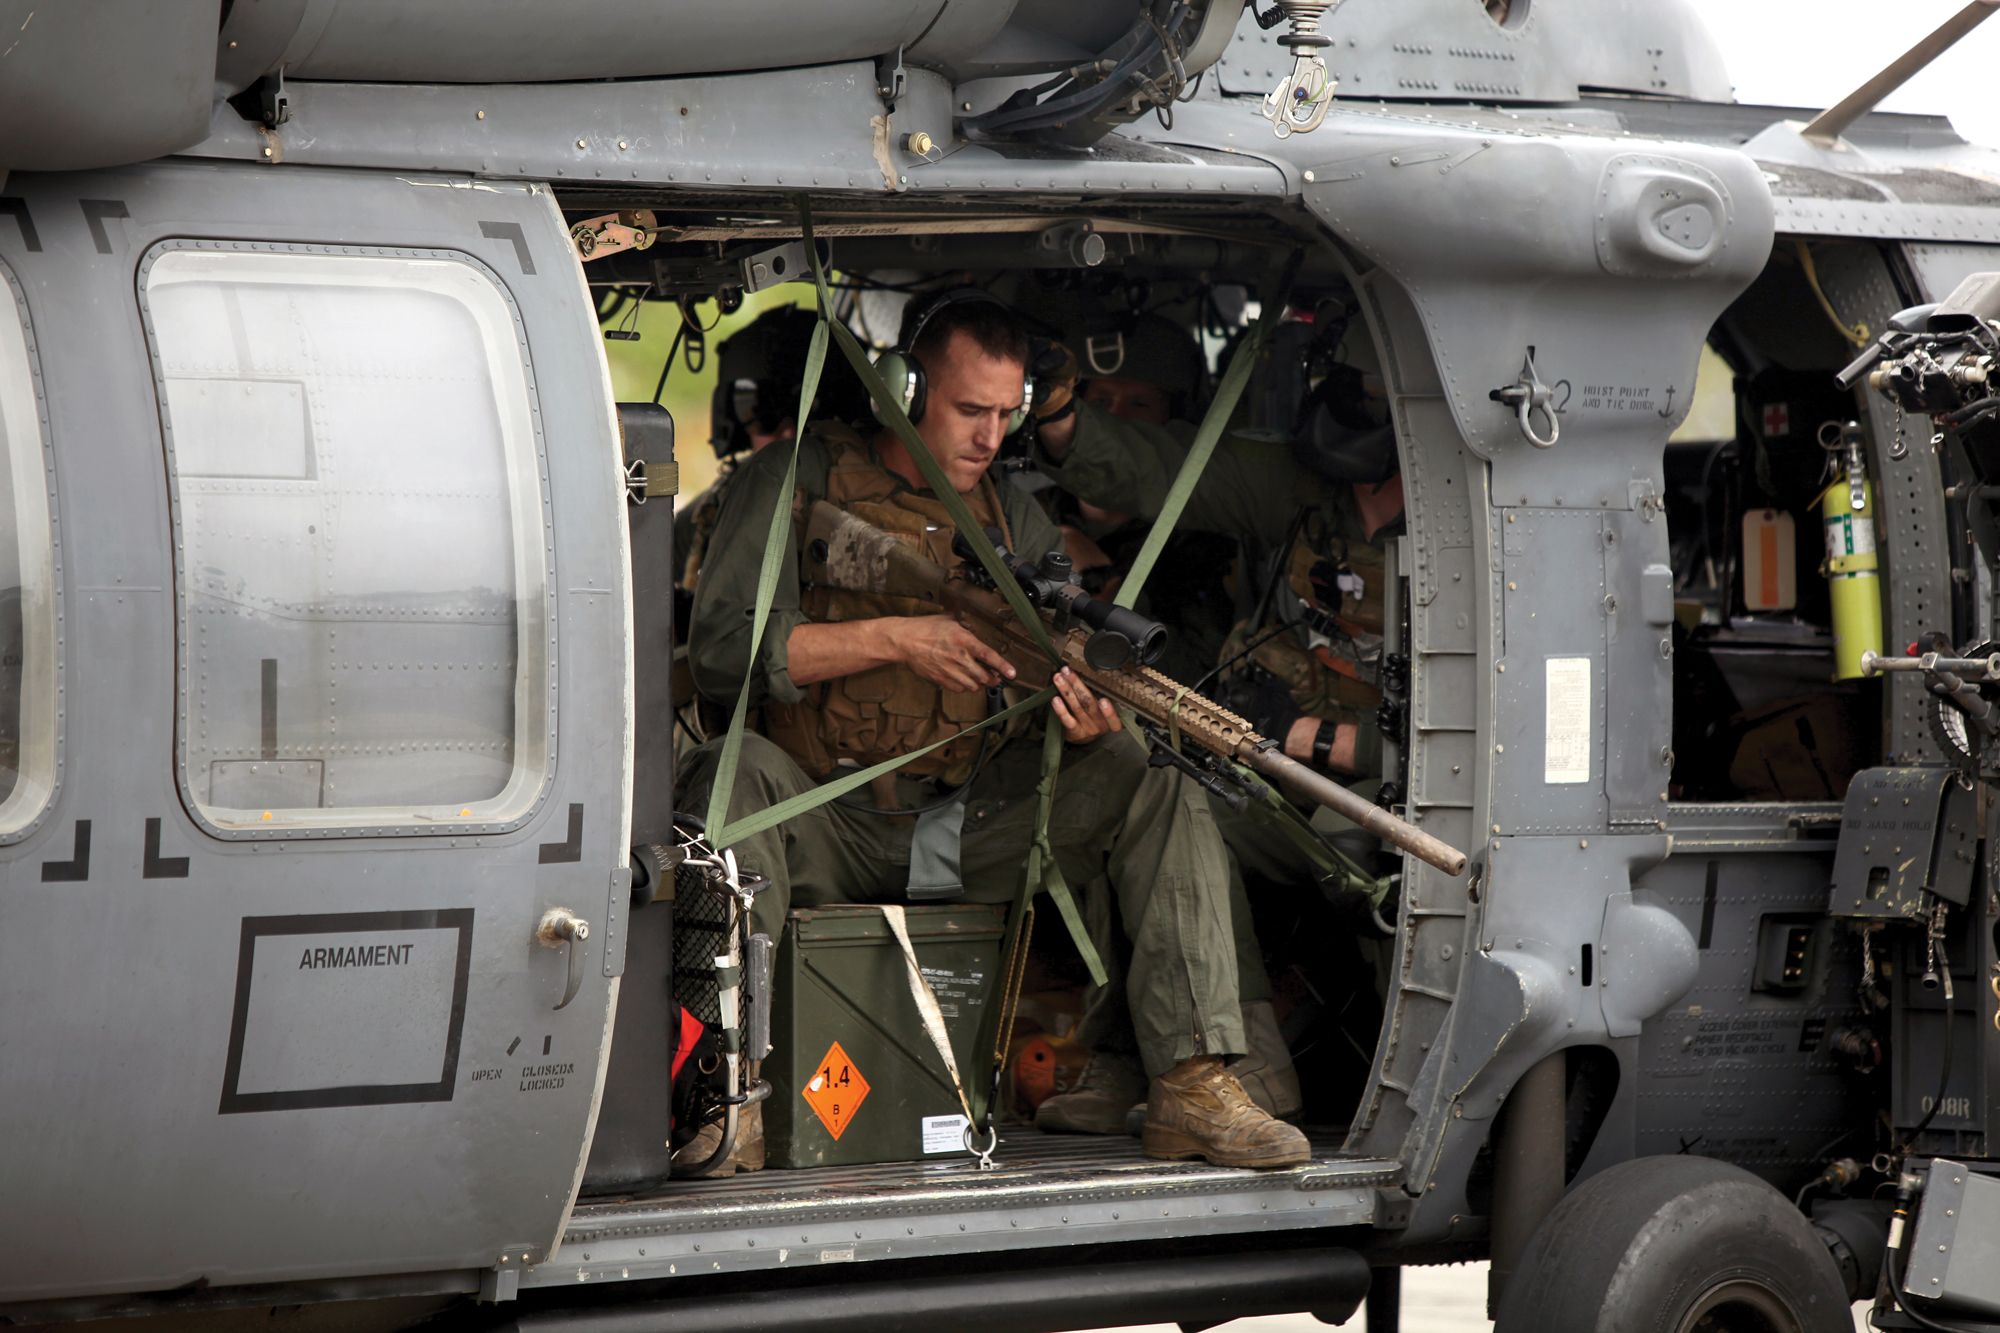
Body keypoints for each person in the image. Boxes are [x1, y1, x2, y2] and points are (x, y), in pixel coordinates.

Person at [678, 291, 1311, 1175]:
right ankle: (724, 1098)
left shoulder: (1016, 520)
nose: (990, 436)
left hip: (956, 826)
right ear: (904, 390)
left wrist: (1086, 727)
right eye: (971, 409)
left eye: (1007, 413)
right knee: (729, 770)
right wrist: (899, 637)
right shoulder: (791, 480)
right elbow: (721, 650)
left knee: (1154, 772)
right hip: (816, 819)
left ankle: (1193, 1085)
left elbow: (1053, 679)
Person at [1029, 303, 1407, 1126]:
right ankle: (1181, 1063)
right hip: (1273, 773)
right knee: (1154, 797)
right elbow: (1162, 470)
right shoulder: (1301, 491)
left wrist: (1324, 740)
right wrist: (1060, 419)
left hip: (1395, 792)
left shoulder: (1488, 523)